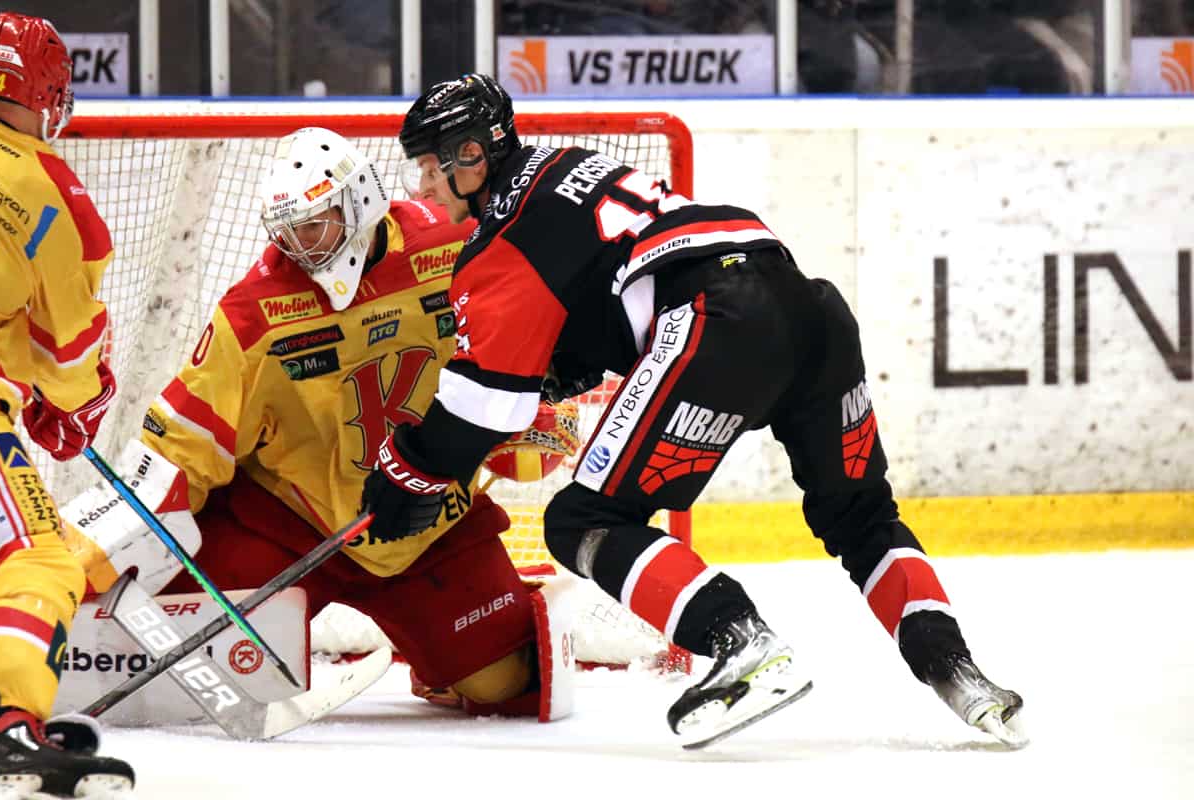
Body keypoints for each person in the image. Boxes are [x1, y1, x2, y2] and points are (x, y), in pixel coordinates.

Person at [362, 73, 1028, 748]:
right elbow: (602, 286)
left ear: (472, 156)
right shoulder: (565, 167)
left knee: (581, 519)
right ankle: (959, 673)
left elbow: (482, 410)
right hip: (811, 311)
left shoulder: (502, 241)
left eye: (429, 166)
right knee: (859, 514)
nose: (422, 187)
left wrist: (406, 474)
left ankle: (740, 641)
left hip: (721, 319)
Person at [60, 126, 579, 725]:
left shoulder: (455, 246)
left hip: (427, 516)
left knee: (507, 684)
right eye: (286, 231)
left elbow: (527, 340)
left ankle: (445, 646)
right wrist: (107, 541)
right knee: (175, 672)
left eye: (312, 225)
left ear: (357, 202)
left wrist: (541, 403)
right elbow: (183, 442)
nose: (299, 246)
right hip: (291, 526)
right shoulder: (256, 311)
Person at [0, 12, 136, 798]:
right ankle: (8, 725)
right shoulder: (42, 185)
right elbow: (73, 354)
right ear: (47, 91)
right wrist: (73, 405)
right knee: (39, 560)